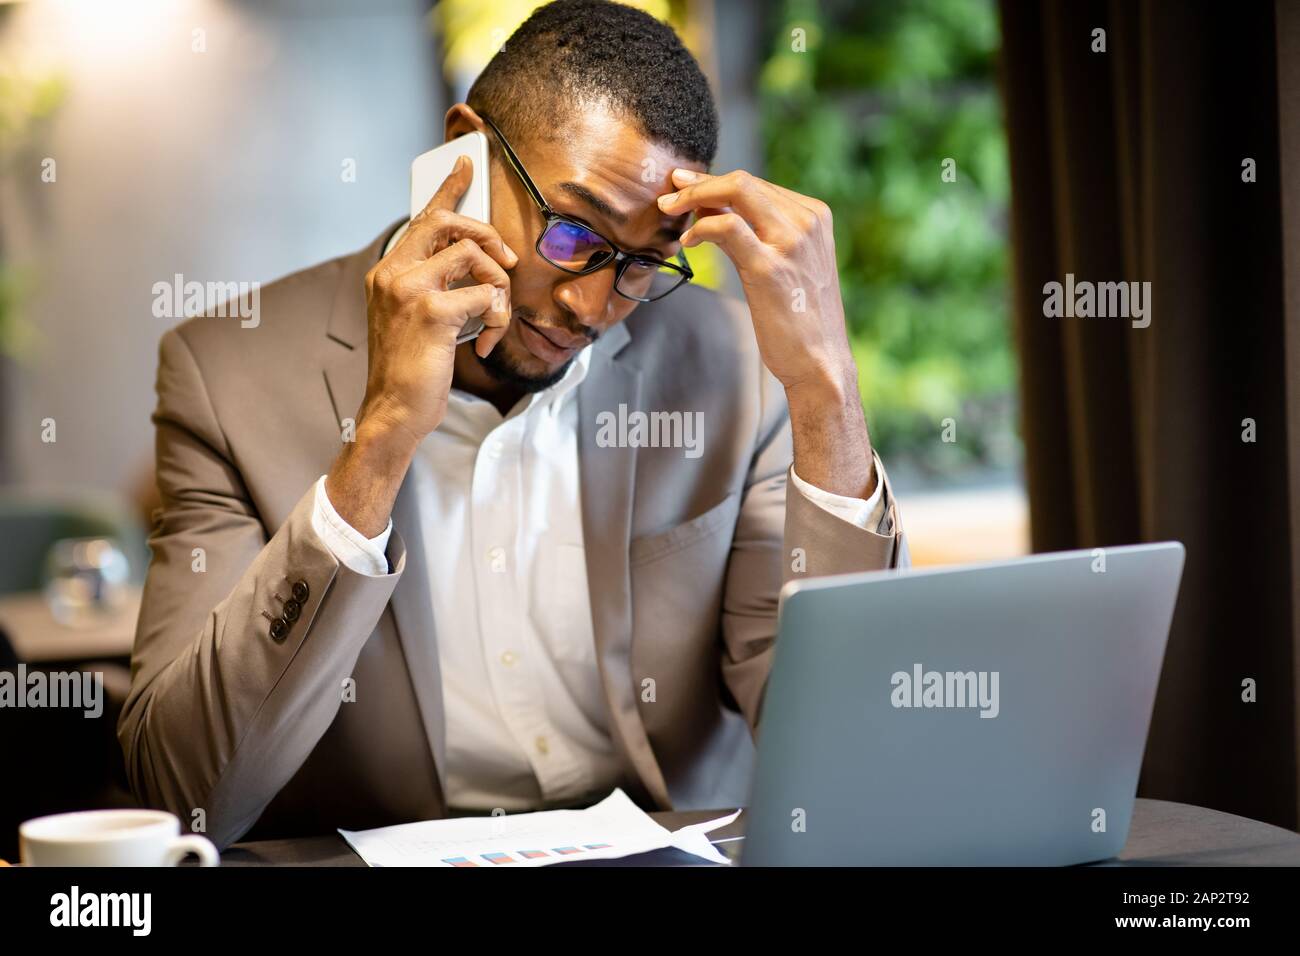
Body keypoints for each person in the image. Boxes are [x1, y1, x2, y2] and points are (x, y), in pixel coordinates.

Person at [118, 0, 908, 849]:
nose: (592, 304)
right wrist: (379, 444)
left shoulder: (737, 367)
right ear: (465, 151)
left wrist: (826, 385)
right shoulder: (225, 375)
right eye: (572, 234)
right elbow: (185, 792)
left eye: (642, 263)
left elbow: (856, 762)